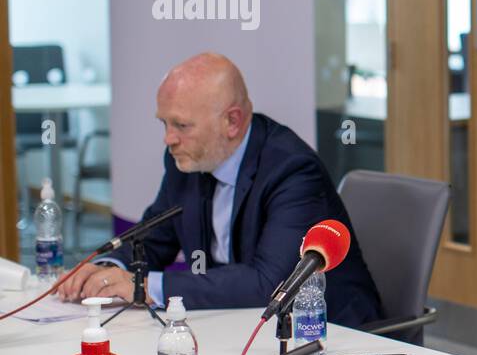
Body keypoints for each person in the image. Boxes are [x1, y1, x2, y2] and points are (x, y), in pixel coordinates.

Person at [57, 52, 383, 328]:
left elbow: (269, 284)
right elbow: (154, 239)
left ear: (232, 121)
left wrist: (144, 286)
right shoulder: (189, 158)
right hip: (235, 326)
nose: (168, 139)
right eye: (164, 123)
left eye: (182, 125)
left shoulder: (292, 170)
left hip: (327, 336)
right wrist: (107, 271)